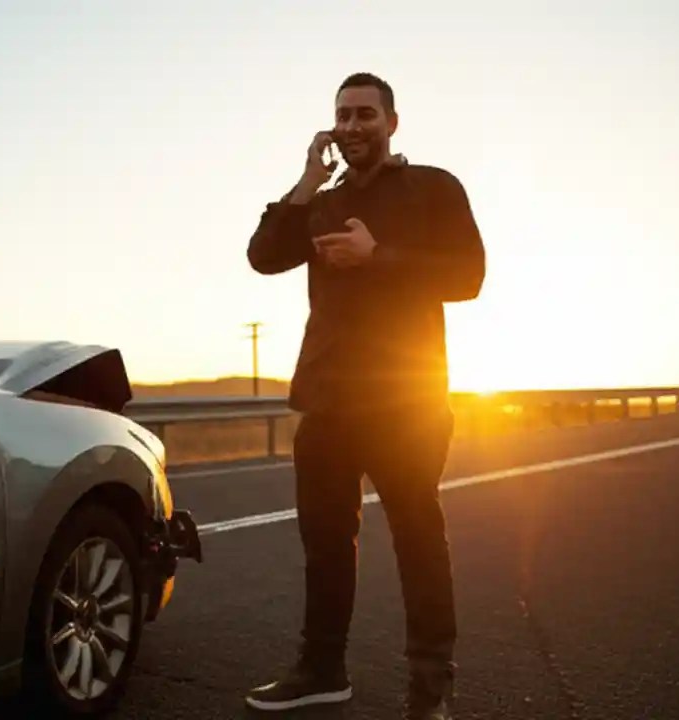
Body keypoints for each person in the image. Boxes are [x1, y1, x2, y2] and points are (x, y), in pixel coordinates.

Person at [243, 72, 486, 720]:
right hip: (328, 400)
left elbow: (470, 276)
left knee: (416, 536)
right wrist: (303, 181)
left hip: (407, 400)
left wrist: (378, 256)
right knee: (324, 543)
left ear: (392, 123)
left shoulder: (433, 187)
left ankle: (430, 682)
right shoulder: (319, 203)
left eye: (365, 115)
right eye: (342, 116)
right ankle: (322, 670)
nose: (353, 127)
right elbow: (264, 256)